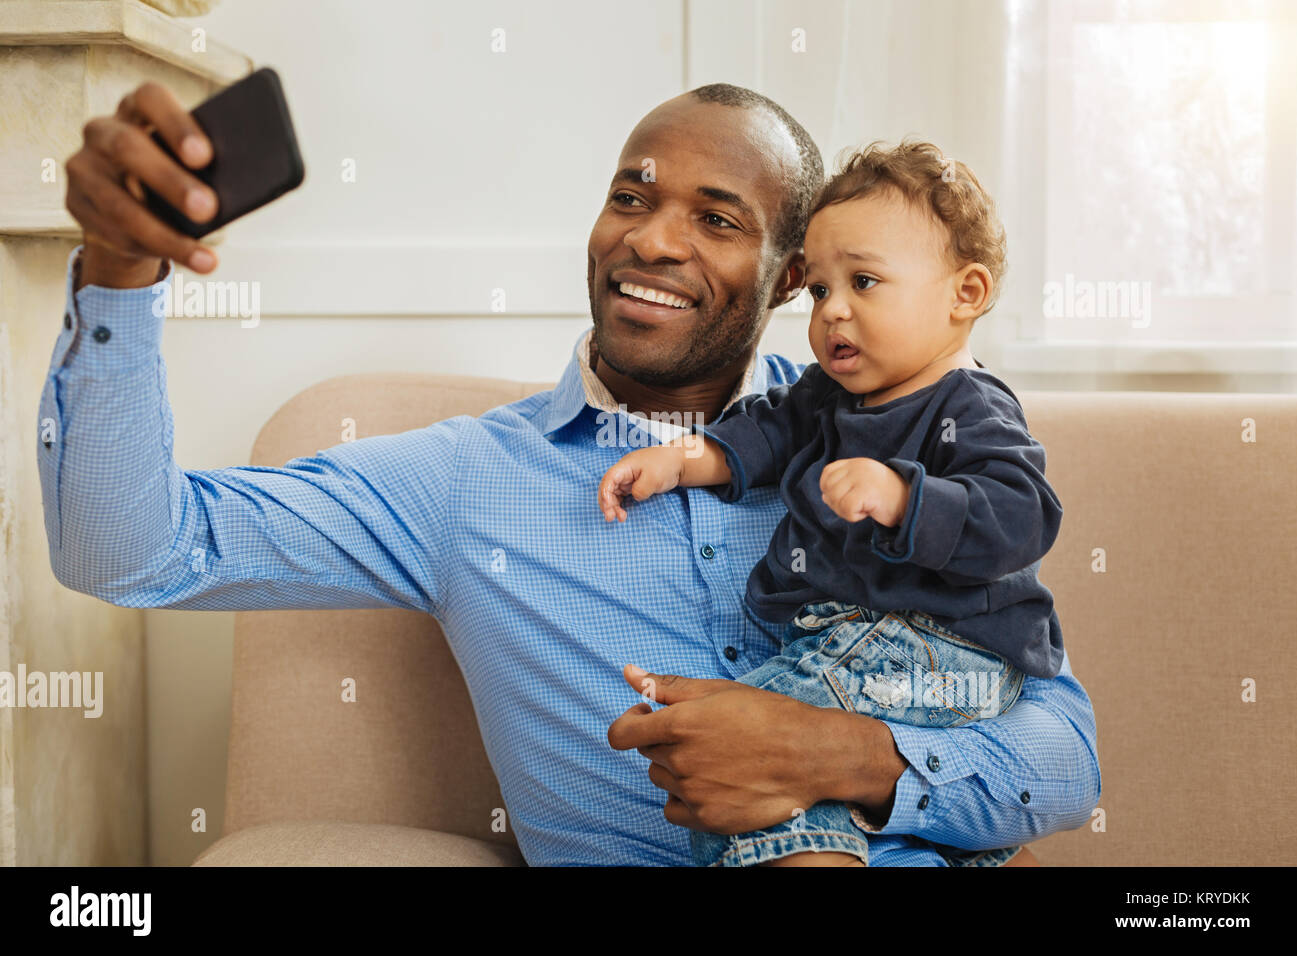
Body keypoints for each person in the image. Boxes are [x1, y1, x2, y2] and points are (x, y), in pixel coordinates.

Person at [44, 79, 1099, 865]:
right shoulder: (465, 481)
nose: (651, 240)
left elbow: (1062, 757)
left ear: (790, 276)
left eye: (715, 217)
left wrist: (839, 759)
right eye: (630, 198)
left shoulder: (885, 441)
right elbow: (133, 549)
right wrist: (119, 274)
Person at [599, 140, 1064, 866]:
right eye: (818, 290)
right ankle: (973, 849)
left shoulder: (971, 407)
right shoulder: (832, 393)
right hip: (860, 647)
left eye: (865, 282)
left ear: (964, 294)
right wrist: (683, 459)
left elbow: (1022, 517)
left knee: (737, 750)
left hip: (933, 646)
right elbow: (767, 428)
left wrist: (906, 497)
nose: (833, 312)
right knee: (758, 766)